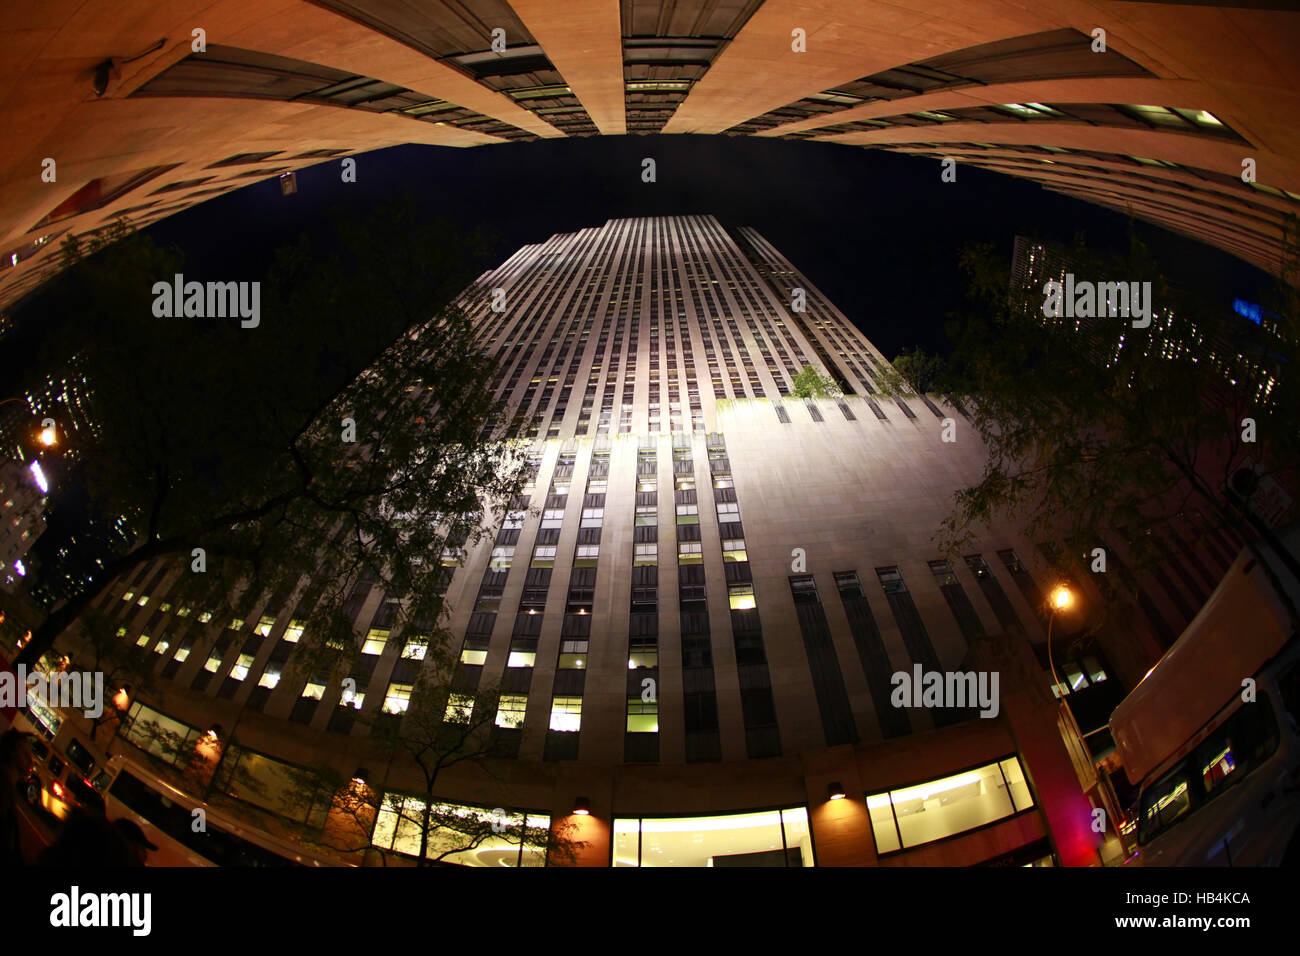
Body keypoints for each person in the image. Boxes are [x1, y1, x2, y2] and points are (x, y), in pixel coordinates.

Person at [0, 729, 35, 866]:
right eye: (25, 755)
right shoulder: (4, 786)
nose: (30, 761)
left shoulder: (9, 787)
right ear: (12, 754)